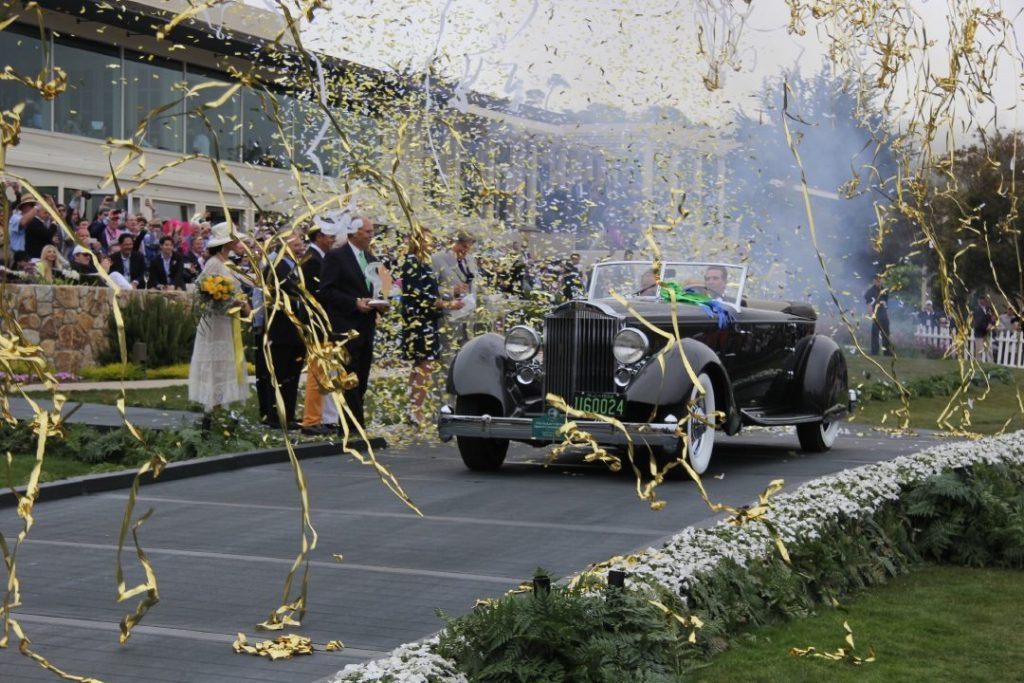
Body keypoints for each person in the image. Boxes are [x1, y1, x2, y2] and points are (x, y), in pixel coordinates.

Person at [317, 215, 388, 430]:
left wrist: (382, 303)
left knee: (362, 377)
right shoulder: (336, 257)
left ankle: (353, 423)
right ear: (355, 232)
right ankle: (354, 425)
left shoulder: (369, 257)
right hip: (345, 327)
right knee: (350, 376)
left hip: (366, 326)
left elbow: (374, 288)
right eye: (368, 231)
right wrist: (353, 303)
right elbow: (326, 291)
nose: (371, 235)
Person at [398, 227, 463, 427]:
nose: (431, 244)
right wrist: (449, 304)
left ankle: (413, 409)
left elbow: (430, 291)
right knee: (424, 366)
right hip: (419, 322)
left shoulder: (422, 263)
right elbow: (423, 297)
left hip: (426, 320)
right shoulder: (412, 263)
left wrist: (449, 293)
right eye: (428, 241)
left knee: (420, 365)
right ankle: (416, 411)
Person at [187, 222, 251, 424]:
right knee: (216, 362)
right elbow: (204, 291)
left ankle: (222, 406)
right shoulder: (214, 263)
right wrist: (231, 301)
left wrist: (241, 303)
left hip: (227, 321)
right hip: (216, 321)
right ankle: (213, 407)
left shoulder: (227, 262)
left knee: (226, 362)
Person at [262, 228, 308, 429]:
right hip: (281, 330)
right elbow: (272, 297)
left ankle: (288, 414)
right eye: (296, 245)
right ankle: (276, 416)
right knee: (280, 374)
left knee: (292, 375)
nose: (300, 248)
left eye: (300, 244)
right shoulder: (275, 267)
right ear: (285, 246)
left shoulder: (297, 267)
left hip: (297, 331)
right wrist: (299, 303)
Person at [300, 211, 340, 435]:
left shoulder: (318, 259)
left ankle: (322, 417)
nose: (333, 240)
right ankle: (311, 419)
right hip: (317, 323)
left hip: (322, 323)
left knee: (325, 372)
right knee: (317, 373)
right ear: (319, 237)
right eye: (330, 236)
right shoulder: (312, 261)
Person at [431, 230, 478, 353]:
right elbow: (428, 289)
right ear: (453, 243)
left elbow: (476, 285)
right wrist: (451, 290)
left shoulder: (471, 260)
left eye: (469, 247)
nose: (466, 250)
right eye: (463, 246)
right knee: (447, 359)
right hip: (448, 318)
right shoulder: (437, 259)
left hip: (468, 320)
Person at [864, 275, 892, 356]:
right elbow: (869, 305)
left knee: (886, 333)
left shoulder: (885, 291)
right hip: (876, 315)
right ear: (874, 281)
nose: (879, 282)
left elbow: (886, 304)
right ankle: (874, 352)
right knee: (875, 334)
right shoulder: (870, 292)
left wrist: (887, 315)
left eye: (880, 280)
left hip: (884, 314)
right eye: (877, 280)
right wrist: (872, 315)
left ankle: (887, 352)